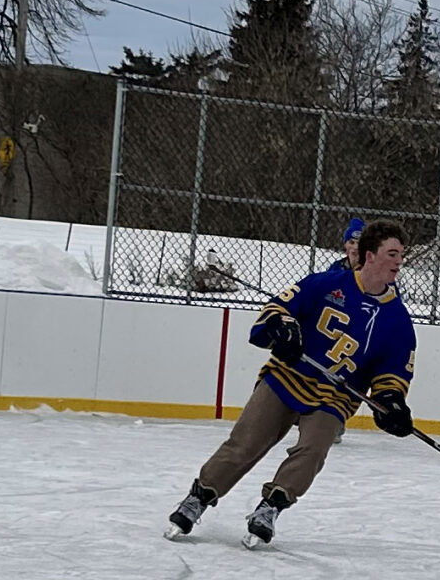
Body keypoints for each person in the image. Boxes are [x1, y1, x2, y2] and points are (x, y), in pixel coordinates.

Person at [167, 219, 418, 545]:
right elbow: (278, 308)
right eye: (392, 254)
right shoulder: (325, 284)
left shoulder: (397, 319)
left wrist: (392, 402)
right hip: (288, 376)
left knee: (312, 451)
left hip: (334, 395)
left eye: (401, 255)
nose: (399, 262)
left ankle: (271, 507)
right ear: (370, 255)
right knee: (245, 444)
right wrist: (283, 330)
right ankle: (199, 497)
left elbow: (392, 370)